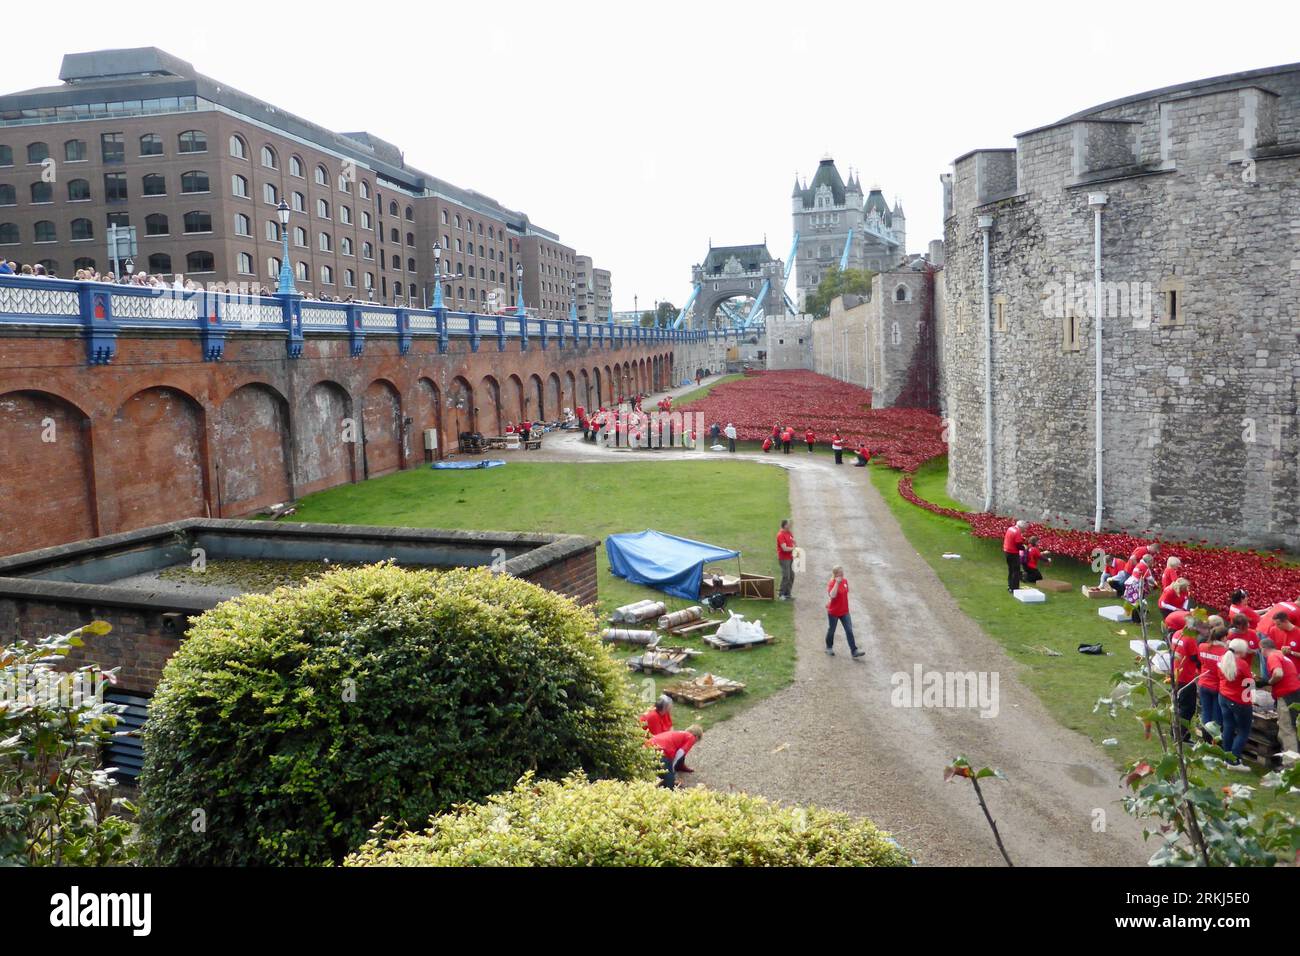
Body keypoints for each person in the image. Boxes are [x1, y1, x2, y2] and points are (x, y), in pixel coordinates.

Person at [1217, 637, 1256, 770]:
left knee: (1228, 726)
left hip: (1223, 696)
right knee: (1243, 730)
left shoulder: (1223, 659)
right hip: (1239, 701)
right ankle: (1234, 760)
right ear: (1241, 650)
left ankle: (1226, 757)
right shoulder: (1242, 664)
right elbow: (1249, 683)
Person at [1262, 637, 1300, 755]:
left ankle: (1291, 766)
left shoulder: (1272, 656)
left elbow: (1278, 673)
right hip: (1296, 692)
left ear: (1263, 648)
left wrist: (1269, 682)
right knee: (1295, 726)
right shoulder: (1284, 656)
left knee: (1286, 729)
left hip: (1286, 694)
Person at [1168, 621, 1201, 742]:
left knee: (1178, 706)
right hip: (1187, 678)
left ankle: (1174, 732)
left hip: (1177, 674)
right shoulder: (1190, 639)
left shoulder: (1177, 633)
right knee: (1188, 709)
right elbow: (1194, 658)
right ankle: (1182, 736)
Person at [1197, 624, 1228, 742]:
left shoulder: (1202, 646)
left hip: (1203, 683)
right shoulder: (1225, 652)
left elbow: (1201, 662)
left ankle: (1205, 737)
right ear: (1223, 638)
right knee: (1217, 715)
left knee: (1206, 711)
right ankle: (1215, 740)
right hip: (1217, 686)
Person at [825, 565, 864, 658]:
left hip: (844, 611)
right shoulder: (832, 583)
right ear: (835, 574)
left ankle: (854, 650)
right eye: (839, 573)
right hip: (833, 612)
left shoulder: (845, 581)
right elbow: (832, 595)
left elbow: (845, 593)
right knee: (832, 630)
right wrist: (837, 583)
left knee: (849, 630)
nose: (842, 574)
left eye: (842, 572)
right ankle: (829, 648)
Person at [1002, 519, 1028, 594]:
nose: (1025, 530)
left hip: (1006, 551)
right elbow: (1018, 545)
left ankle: (1010, 585)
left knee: (1010, 569)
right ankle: (1014, 588)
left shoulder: (1010, 528)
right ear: (1022, 527)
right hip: (1013, 553)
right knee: (1016, 571)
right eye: (1024, 529)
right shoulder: (1017, 532)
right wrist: (1024, 547)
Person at [776, 519, 796, 600]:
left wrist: (794, 545)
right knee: (786, 576)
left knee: (791, 575)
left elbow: (793, 542)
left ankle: (788, 594)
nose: (790, 525)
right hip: (784, 559)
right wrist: (793, 548)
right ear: (784, 525)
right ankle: (781, 594)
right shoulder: (780, 535)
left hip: (790, 558)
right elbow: (784, 548)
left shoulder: (789, 533)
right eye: (789, 524)